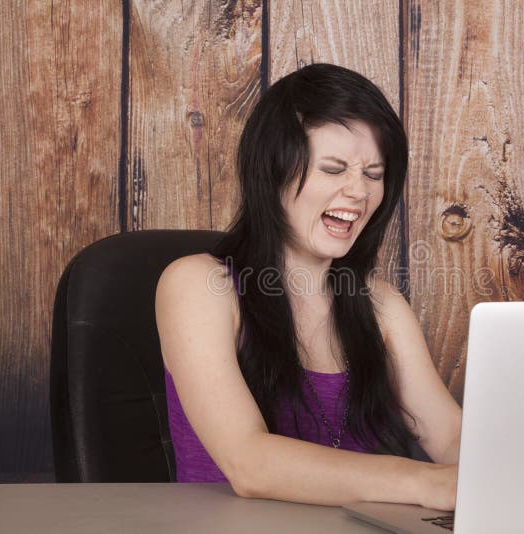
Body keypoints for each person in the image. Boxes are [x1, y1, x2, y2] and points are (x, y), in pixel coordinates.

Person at [155, 63, 461, 511]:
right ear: (272, 171)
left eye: (374, 174)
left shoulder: (382, 305)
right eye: (334, 169)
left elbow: (449, 435)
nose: (359, 193)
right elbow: (250, 463)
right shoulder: (199, 285)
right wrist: (425, 483)